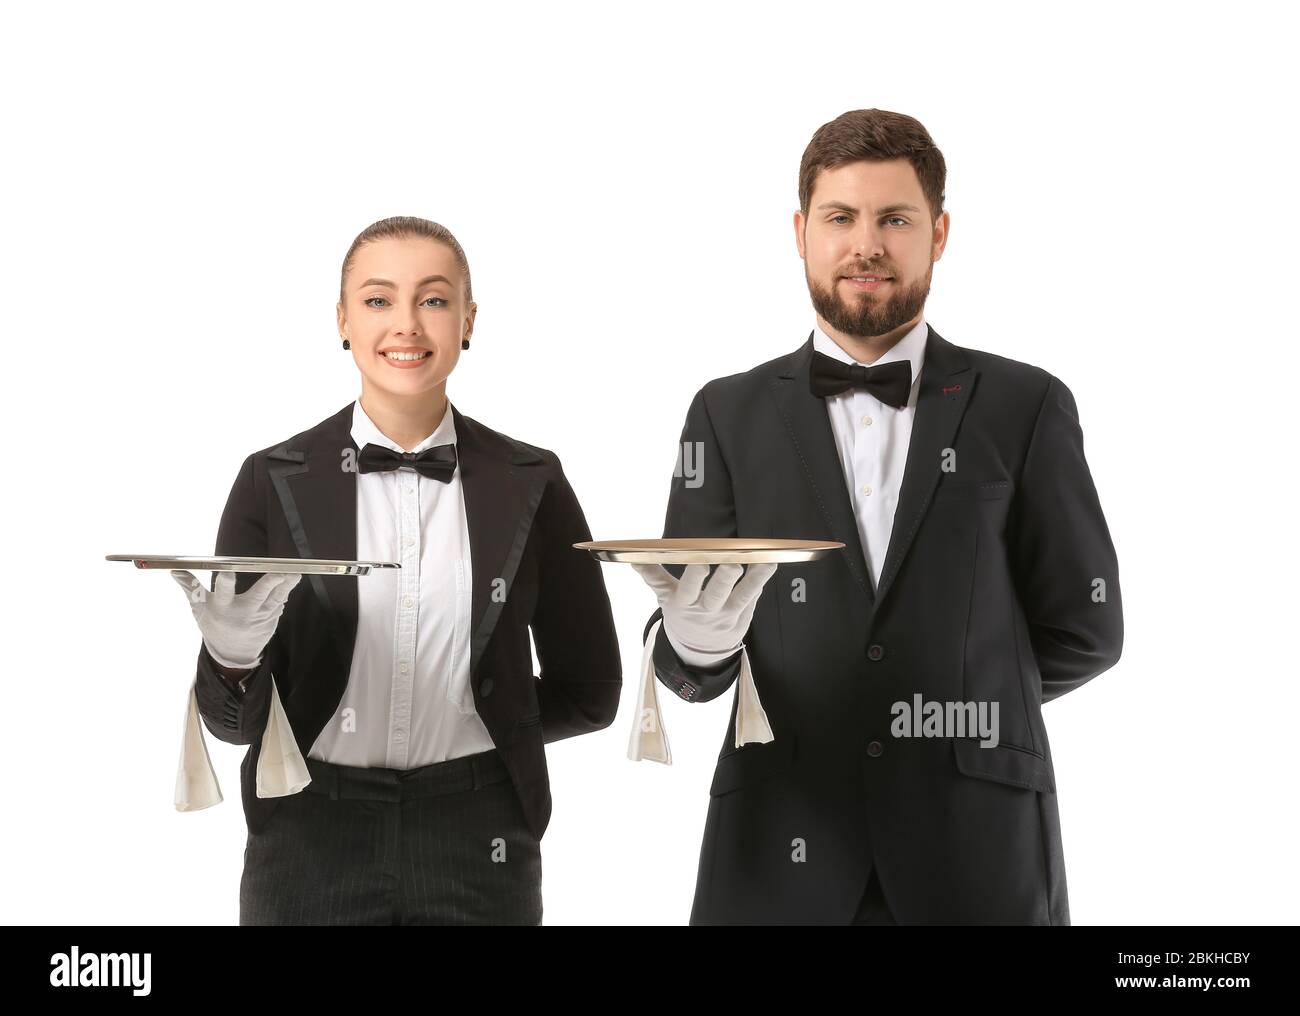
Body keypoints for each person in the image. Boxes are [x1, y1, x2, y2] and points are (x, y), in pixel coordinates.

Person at [632, 109, 1123, 925]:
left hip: (977, 851)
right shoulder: (725, 413)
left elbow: (1087, 629)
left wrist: (957, 706)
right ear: (800, 231)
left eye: (895, 218)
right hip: (778, 846)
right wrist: (694, 645)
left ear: (939, 232)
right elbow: (690, 669)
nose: (868, 244)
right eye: (841, 218)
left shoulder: (1026, 404)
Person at [172, 215, 622, 925]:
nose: (407, 324)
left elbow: (592, 692)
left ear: (468, 320)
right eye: (379, 300)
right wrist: (230, 662)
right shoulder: (270, 480)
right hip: (306, 835)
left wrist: (491, 719)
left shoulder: (533, 480)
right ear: (343, 320)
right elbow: (234, 726)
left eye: (434, 300)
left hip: (481, 838)